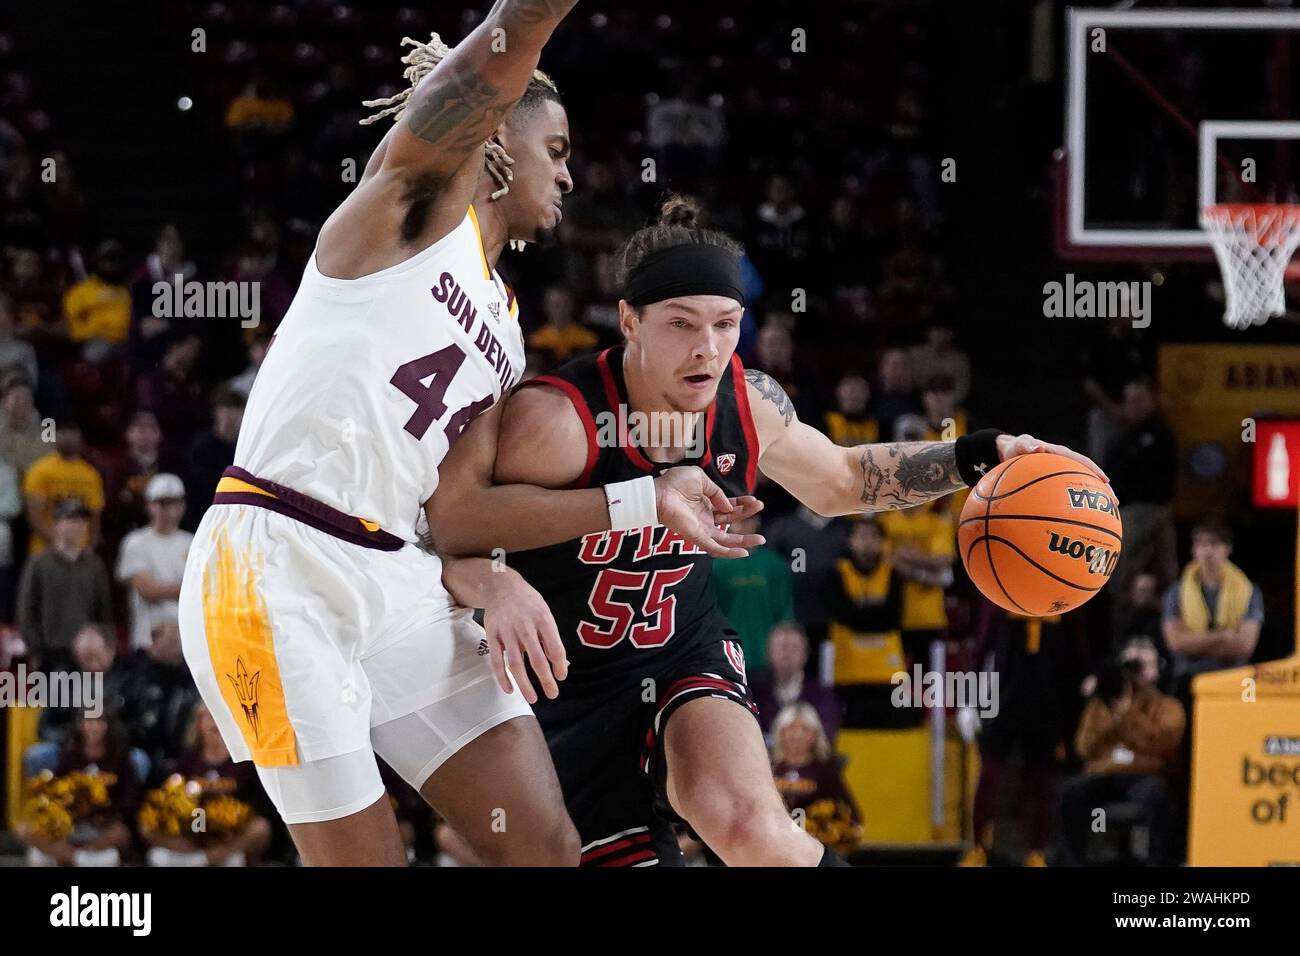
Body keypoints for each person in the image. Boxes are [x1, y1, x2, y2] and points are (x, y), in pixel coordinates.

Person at [178, 3, 758, 868]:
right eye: (554, 152)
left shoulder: (508, 324)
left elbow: (448, 508)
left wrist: (483, 571)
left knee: (548, 848)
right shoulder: (410, 212)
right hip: (275, 566)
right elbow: (507, 44)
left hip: (397, 574)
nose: (567, 178)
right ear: (494, 141)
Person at [436, 194, 1104, 866]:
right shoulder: (559, 421)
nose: (707, 349)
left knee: (755, 829)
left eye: (726, 324)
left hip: (680, 650)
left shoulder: (745, 403)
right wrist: (520, 563)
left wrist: (979, 454)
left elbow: (844, 480)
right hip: (564, 689)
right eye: (681, 324)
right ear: (629, 322)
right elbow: (454, 524)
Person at [1061, 635, 1184, 865]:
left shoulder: (1168, 706)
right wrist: (1113, 709)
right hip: (1104, 775)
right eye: (1131, 665)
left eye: (1143, 665)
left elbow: (1164, 746)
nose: (1136, 672)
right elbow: (1085, 748)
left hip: (1145, 777)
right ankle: (1075, 862)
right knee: (1071, 792)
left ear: (1157, 669)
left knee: (1157, 796)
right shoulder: (1101, 704)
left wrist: (1128, 713)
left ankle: (1155, 862)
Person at [145, 702, 274, 867]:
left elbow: (260, 806)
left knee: (261, 827)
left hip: (232, 834)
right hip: (191, 828)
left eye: (222, 716)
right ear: (198, 723)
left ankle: (209, 858)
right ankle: (196, 856)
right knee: (147, 825)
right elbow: (168, 798)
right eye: (210, 716)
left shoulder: (246, 760)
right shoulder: (188, 759)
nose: (216, 722)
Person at [18, 712, 141, 867]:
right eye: (89, 721)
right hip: (72, 824)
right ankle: (78, 858)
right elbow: (57, 792)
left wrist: (107, 815)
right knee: (25, 829)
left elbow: (131, 797)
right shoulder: (70, 753)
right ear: (80, 724)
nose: (94, 727)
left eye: (99, 721)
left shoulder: (121, 756)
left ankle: (65, 854)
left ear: (109, 725)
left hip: (104, 825)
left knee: (121, 834)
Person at [1160, 519, 1263, 697]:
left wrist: (1194, 641)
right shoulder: (1176, 593)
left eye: (1214, 544)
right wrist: (1224, 636)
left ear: (1227, 548)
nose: (1207, 551)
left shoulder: (1249, 591)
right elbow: (1176, 642)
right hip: (1188, 678)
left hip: (1234, 679)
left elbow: (1245, 645)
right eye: (1201, 544)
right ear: (1194, 549)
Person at [16, 498, 113, 672]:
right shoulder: (39, 563)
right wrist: (36, 650)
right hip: (50, 652)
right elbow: (26, 611)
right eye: (71, 519)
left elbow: (104, 611)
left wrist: (106, 644)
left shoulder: (94, 564)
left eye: (82, 520)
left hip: (87, 654)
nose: (77, 525)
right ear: (57, 524)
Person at [770, 702, 863, 858]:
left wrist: (831, 834)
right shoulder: (767, 768)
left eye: (804, 729)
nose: (796, 735)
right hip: (773, 848)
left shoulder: (825, 771)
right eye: (791, 728)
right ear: (779, 733)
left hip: (814, 852)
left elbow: (853, 815)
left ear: (815, 735)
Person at [117, 473, 193, 650]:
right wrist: (186, 588)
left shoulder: (193, 542)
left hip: (186, 641)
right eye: (163, 505)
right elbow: (148, 590)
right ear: (150, 506)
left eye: (175, 504)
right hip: (148, 640)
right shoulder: (136, 542)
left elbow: (205, 591)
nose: (170, 512)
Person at [749, 622, 841, 744]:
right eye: (782, 647)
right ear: (768, 653)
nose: (788, 654)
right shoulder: (755, 692)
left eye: (794, 648)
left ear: (805, 655)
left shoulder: (822, 693)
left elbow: (826, 735)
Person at [22, 420, 104, 554]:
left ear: (81, 438)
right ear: (54, 437)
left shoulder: (91, 474)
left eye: (72, 432)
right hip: (45, 552)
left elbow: (95, 517)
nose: (68, 437)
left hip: (80, 552)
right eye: (63, 432)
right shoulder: (40, 470)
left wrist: (90, 547)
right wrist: (59, 546)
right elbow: (35, 517)